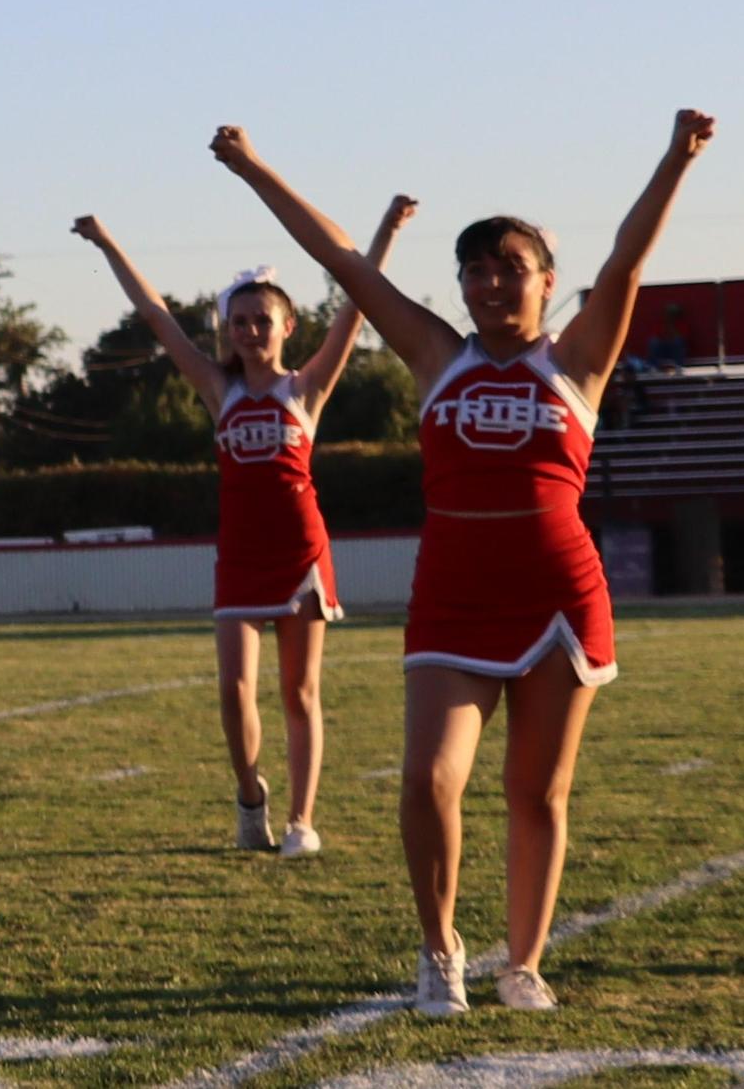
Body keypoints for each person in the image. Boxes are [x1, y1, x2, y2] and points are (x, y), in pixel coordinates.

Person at [212, 109, 717, 1015]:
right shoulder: (435, 354)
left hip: (558, 596)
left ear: (546, 281)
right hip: (452, 595)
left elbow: (626, 264)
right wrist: (253, 169)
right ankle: (440, 949)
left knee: (538, 792)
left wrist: (676, 159)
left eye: (508, 267)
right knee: (428, 778)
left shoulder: (578, 361)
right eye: (474, 270)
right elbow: (343, 261)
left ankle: (523, 962)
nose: (489, 283)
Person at [73, 199, 413, 859]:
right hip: (240, 557)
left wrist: (387, 232)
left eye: (263, 320)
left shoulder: (305, 388)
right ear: (227, 330)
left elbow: (355, 306)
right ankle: (250, 797)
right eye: (240, 321)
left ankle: (302, 820)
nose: (252, 330)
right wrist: (107, 242)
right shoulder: (217, 389)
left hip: (301, 553)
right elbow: (157, 316)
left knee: (300, 691)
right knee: (233, 693)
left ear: (287, 325)